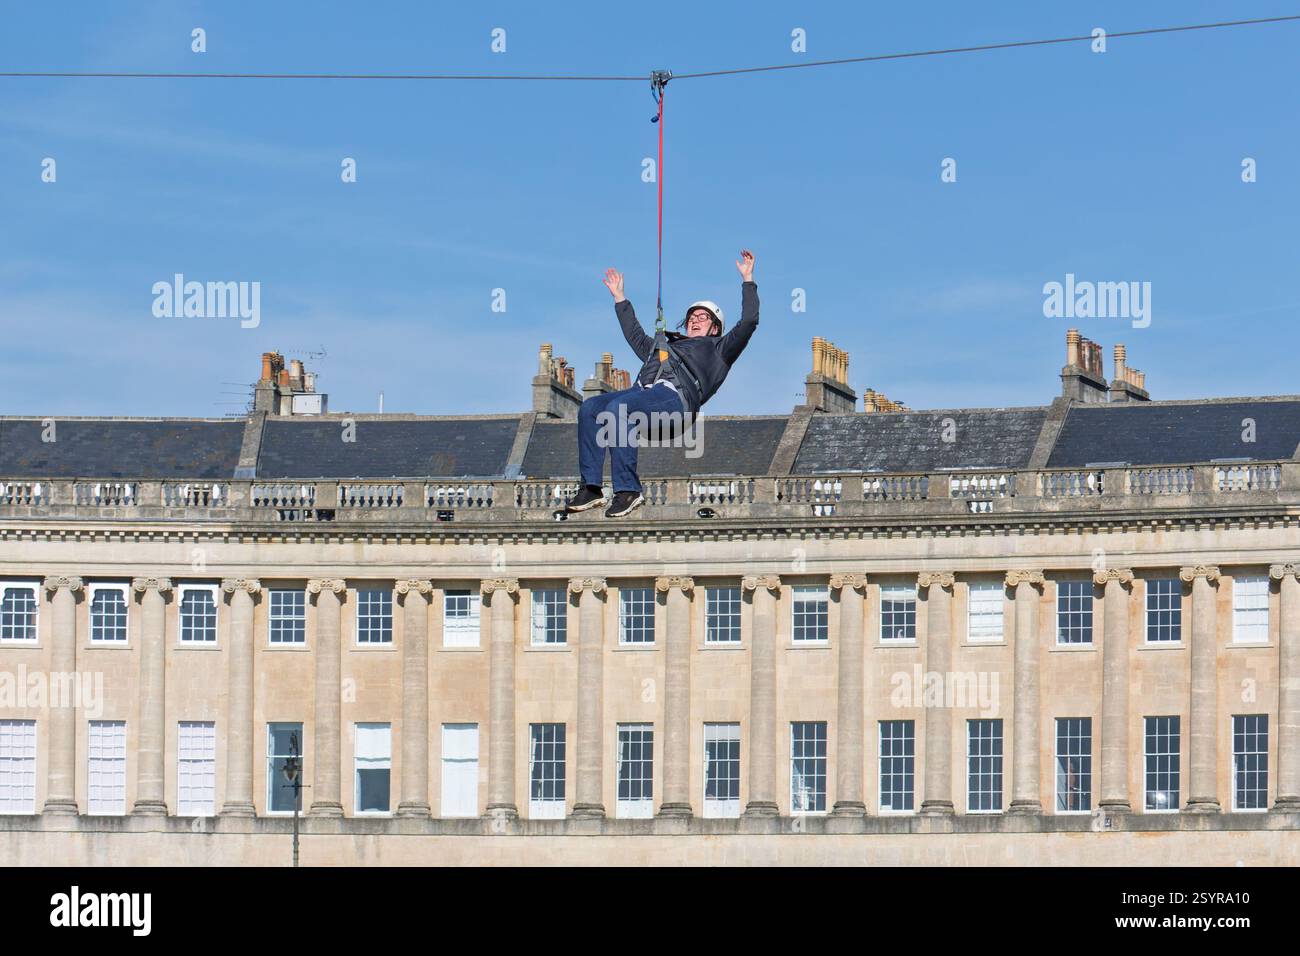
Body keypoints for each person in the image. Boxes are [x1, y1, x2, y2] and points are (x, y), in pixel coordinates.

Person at [565, 249, 760, 517]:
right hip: (644, 398)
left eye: (703, 318)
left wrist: (748, 279)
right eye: (692, 317)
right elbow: (635, 335)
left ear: (715, 328)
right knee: (592, 407)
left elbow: (749, 321)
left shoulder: (719, 349)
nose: (695, 320)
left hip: (676, 404)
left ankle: (628, 490)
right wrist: (620, 298)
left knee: (618, 408)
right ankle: (592, 488)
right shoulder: (663, 349)